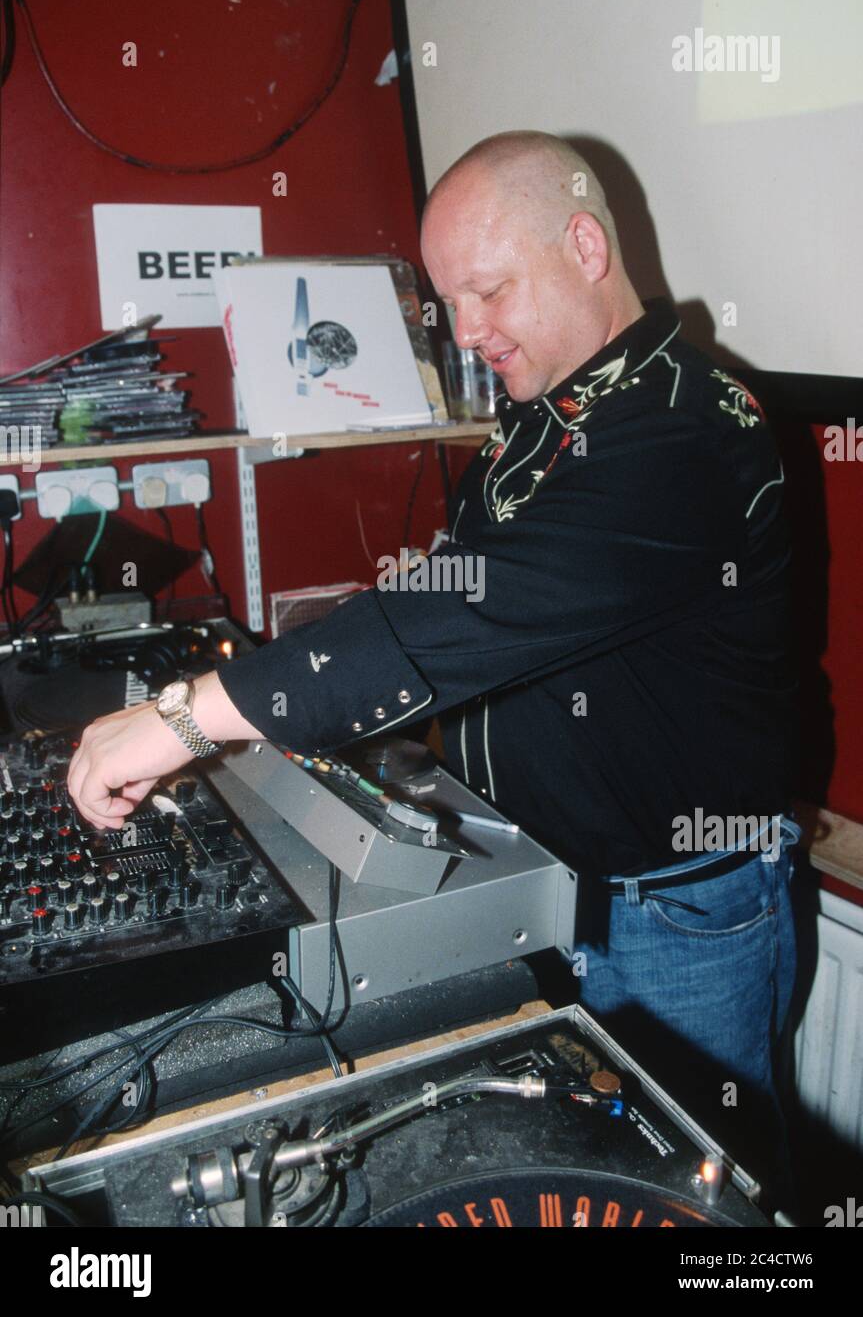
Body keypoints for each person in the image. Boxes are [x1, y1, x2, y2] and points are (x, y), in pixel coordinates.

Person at [66, 131, 800, 1212]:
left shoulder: (686, 427)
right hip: (554, 883)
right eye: (446, 306)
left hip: (675, 912)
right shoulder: (547, 417)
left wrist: (189, 716)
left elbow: (468, 609)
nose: (466, 333)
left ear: (584, 245)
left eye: (488, 292)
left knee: (700, 1205)